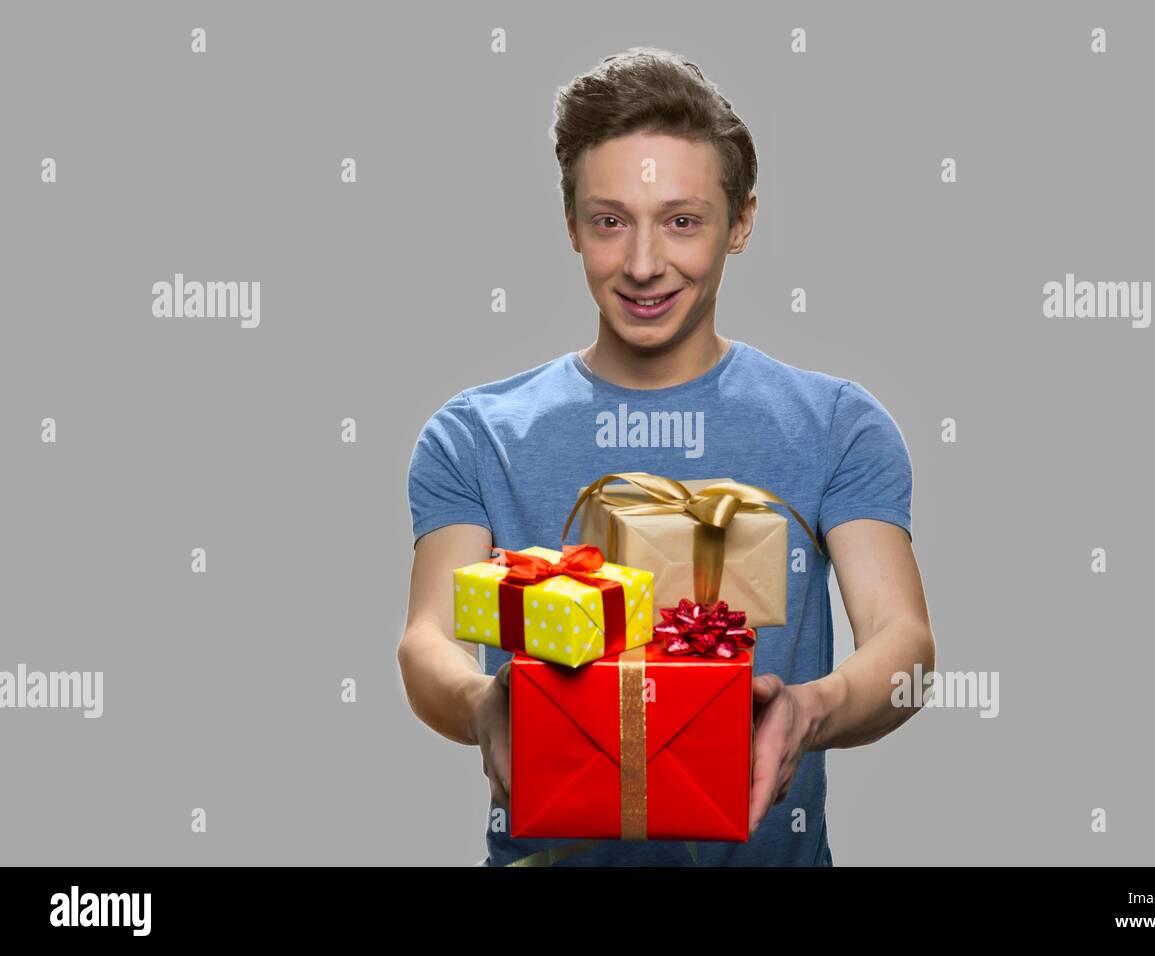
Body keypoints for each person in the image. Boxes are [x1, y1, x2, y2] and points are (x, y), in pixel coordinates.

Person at [398, 47, 935, 866]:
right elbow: (426, 640)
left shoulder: (836, 424)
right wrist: (482, 706)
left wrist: (812, 709)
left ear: (742, 222)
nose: (643, 264)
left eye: (682, 220)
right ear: (572, 224)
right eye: (610, 220)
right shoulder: (476, 433)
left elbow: (906, 646)